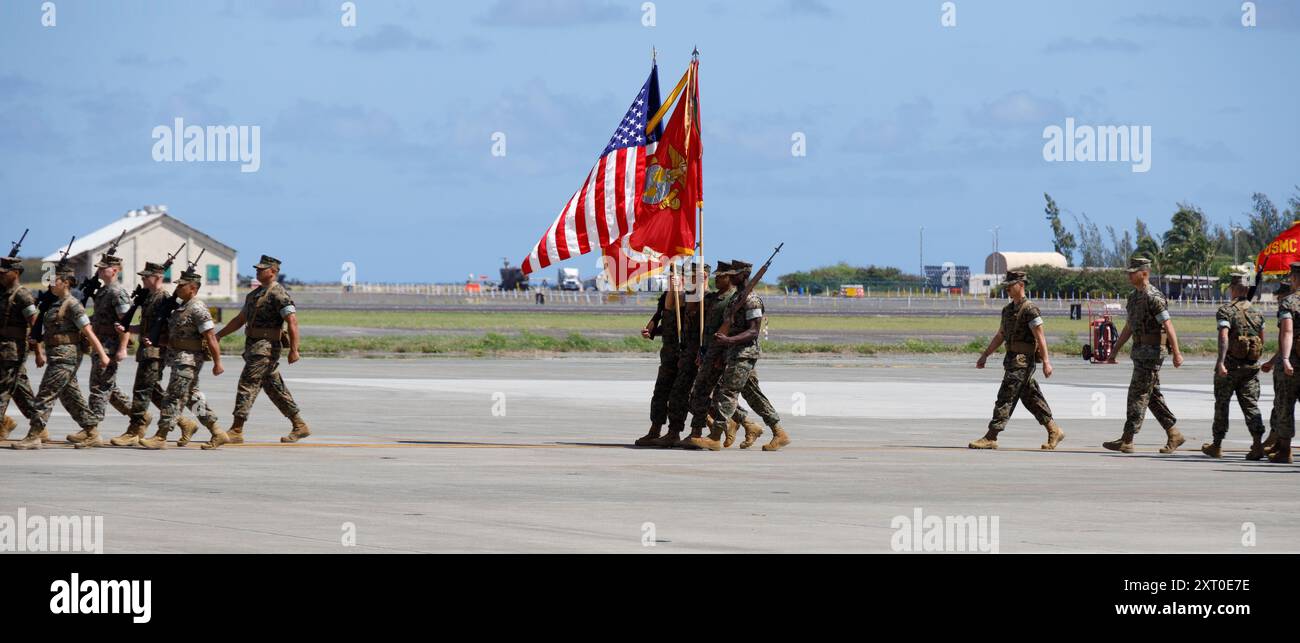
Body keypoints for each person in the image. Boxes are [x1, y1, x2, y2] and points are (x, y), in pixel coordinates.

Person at [689, 260, 789, 452]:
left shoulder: (752, 299)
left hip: (744, 353)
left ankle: (715, 436)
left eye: (735, 273)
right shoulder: (737, 298)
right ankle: (779, 432)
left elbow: (753, 331)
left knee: (727, 393)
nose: (730, 276)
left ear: (744, 275)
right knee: (752, 395)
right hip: (732, 353)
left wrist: (729, 341)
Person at [11, 266, 112, 450]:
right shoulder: (55, 304)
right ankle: (92, 432)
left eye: (54, 280)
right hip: (56, 356)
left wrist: (103, 355)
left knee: (45, 394)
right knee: (70, 396)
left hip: (66, 357)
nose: (50, 284)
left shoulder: (72, 304)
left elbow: (88, 331)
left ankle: (34, 435)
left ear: (65, 282)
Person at [215, 255, 310, 443]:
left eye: (261, 269)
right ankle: (299, 425)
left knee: (247, 384)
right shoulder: (254, 294)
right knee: (275, 388)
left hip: (265, 348)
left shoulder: (279, 294)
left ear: (273, 272)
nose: (257, 272)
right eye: (257, 269)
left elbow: (292, 321)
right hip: (254, 346)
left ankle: (236, 429)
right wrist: (219, 335)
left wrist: (294, 349)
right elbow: (240, 319)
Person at [968, 270, 1064, 450]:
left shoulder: (1030, 310)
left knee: (1006, 395)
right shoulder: (1007, 310)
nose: (1007, 290)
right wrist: (985, 355)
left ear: (1021, 285)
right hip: (1011, 360)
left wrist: (1046, 362)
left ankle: (991, 436)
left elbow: (1041, 337)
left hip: (1023, 362)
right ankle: (1054, 430)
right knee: (1031, 397)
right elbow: (1001, 335)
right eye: (1006, 287)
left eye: (1010, 286)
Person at [138, 267, 228, 449]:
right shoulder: (180, 308)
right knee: (193, 398)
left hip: (189, 361)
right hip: (178, 358)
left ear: (193, 288)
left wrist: (218, 362)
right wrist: (157, 341)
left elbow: (210, 336)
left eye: (182, 286)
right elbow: (177, 337)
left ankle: (161, 436)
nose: (178, 288)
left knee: (172, 397)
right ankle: (217, 431)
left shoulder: (198, 308)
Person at [1103, 256, 1185, 454]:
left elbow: (1168, 324)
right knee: (1151, 395)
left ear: (1145, 273)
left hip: (1152, 353)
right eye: (1129, 273)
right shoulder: (1134, 297)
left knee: (1137, 394)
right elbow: (1129, 326)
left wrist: (1177, 353)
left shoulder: (1153, 297)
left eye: (1133, 272)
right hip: (1140, 352)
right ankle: (1174, 434)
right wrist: (1114, 350)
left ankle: (1128, 439)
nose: (1130, 276)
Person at [70, 253, 132, 445]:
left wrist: (123, 348)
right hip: (101, 343)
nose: (99, 270)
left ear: (114, 270)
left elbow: (126, 324)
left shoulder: (118, 293)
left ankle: (92, 430)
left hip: (110, 346)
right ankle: (139, 416)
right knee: (107, 388)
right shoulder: (104, 291)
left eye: (103, 267)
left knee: (99, 387)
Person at [1202, 270, 1265, 459]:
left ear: (1233, 289)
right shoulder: (1257, 311)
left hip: (1230, 366)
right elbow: (1261, 339)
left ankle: (1217, 445)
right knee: (1251, 405)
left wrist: (1220, 362)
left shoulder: (1226, 310)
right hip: (1251, 367)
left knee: (1222, 404)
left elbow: (1223, 336)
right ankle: (1257, 444)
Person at [1263, 263, 1300, 464]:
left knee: (1285, 404)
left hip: (1294, 361)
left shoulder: (1289, 303)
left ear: (1294, 278)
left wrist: (1284, 358)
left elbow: (1287, 332)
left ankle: (1285, 450)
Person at [0, 256, 38, 440]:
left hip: (13, 351)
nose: (1, 276)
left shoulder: (22, 295)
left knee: (3, 389)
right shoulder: (2, 292)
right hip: (3, 349)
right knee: (19, 388)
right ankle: (37, 422)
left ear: (15, 273)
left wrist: (38, 352)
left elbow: (34, 324)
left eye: (4, 273)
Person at [1261, 281, 1293, 455]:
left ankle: (1281, 445)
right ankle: (1277, 441)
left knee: (1282, 405)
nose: (1278, 297)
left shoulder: (1289, 308)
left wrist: (1274, 362)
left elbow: (1286, 341)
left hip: (1289, 365)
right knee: (1280, 406)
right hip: (1288, 361)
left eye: (1281, 294)